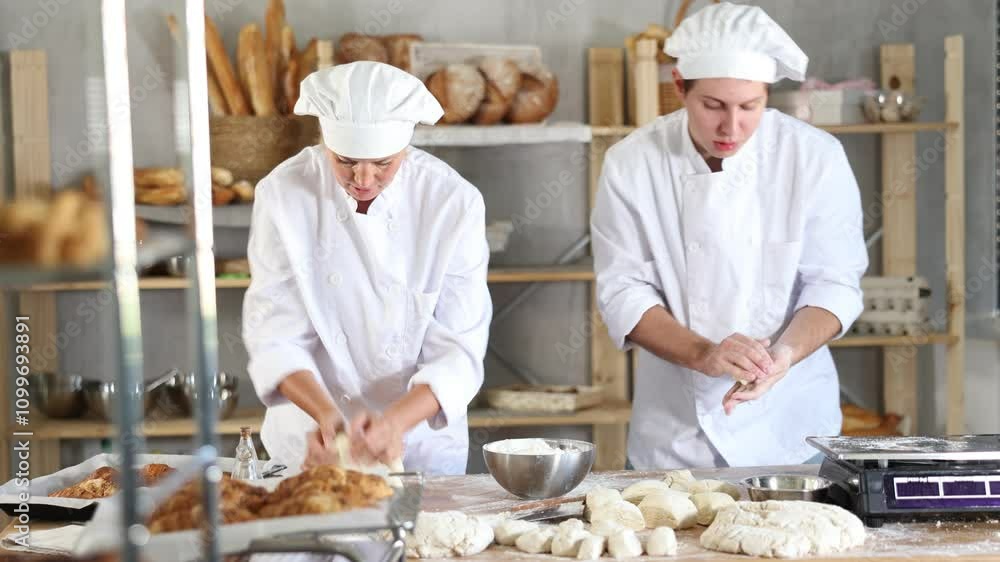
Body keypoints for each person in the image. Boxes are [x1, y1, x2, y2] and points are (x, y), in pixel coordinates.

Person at [591, 2, 868, 469]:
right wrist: (703, 353)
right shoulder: (633, 162)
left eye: (749, 106)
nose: (731, 127)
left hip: (791, 428)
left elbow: (835, 283)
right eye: (713, 105)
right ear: (680, 87)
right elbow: (622, 291)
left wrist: (782, 355)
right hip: (675, 436)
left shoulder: (814, 156)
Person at [242, 61, 491, 476]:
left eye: (383, 164)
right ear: (325, 144)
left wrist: (393, 424)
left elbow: (458, 349)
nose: (363, 179)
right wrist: (329, 418)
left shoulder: (452, 202)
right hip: (311, 440)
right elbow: (274, 335)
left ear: (405, 150)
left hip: (418, 448)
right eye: (345, 161)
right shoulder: (283, 194)